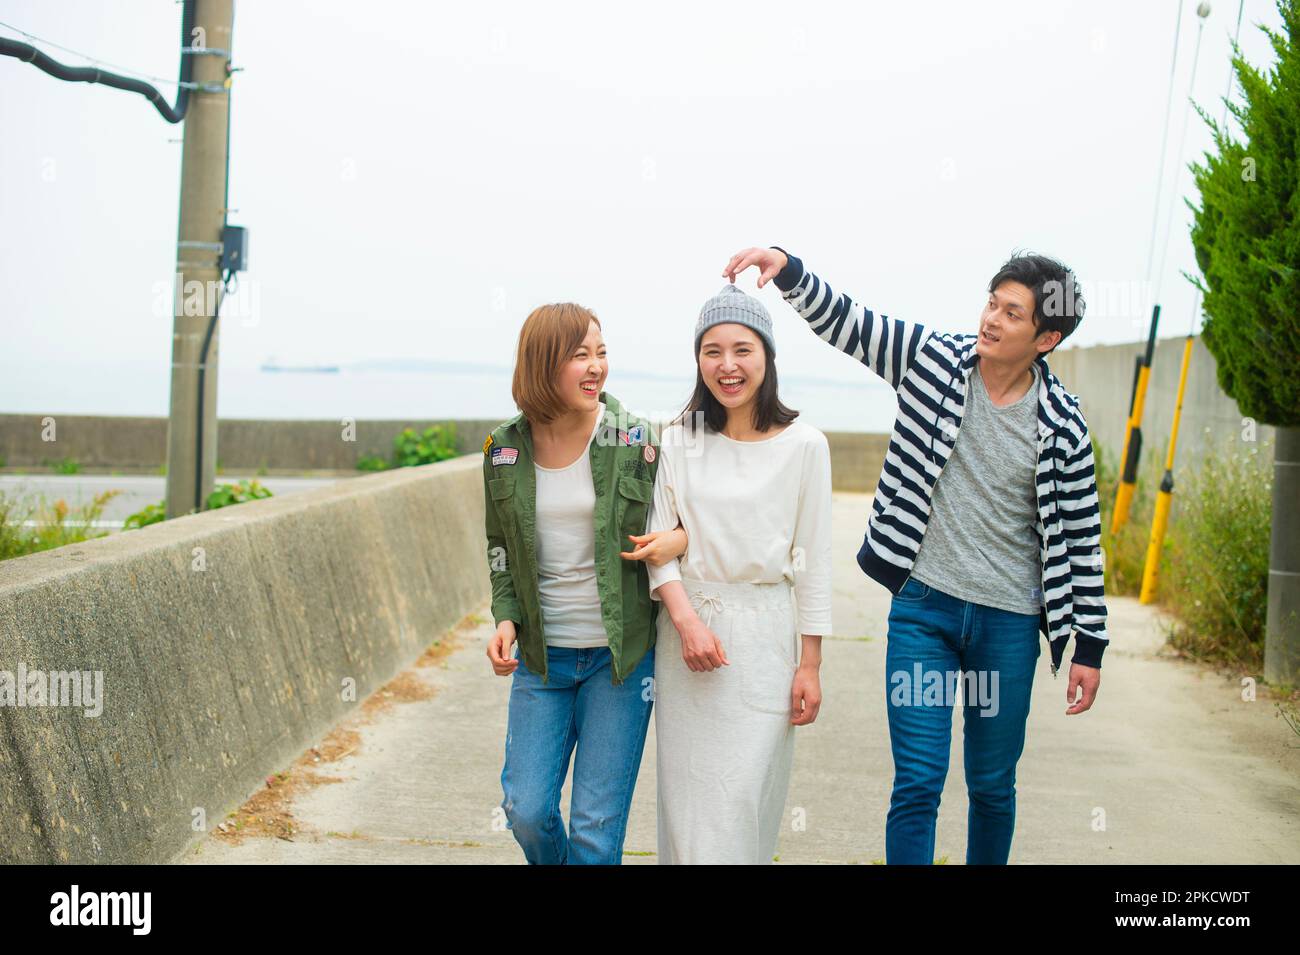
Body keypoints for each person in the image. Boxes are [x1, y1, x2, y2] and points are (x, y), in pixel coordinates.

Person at [723, 245, 1109, 865]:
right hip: (923, 613)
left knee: (990, 787)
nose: (991, 319)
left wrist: (1088, 644)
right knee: (919, 782)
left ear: (1046, 337)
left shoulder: (1063, 425)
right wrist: (789, 270)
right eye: (992, 302)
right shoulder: (934, 361)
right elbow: (852, 323)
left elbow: (1082, 539)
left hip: (1008, 625)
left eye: (1012, 313)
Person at [481, 302, 688, 865]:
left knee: (596, 832)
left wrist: (682, 537)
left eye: (601, 353)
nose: (596, 367)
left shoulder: (638, 439)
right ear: (544, 364)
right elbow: (500, 548)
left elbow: (692, 516)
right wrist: (505, 619)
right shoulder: (502, 450)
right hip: (543, 661)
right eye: (580, 356)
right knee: (525, 809)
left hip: (619, 663)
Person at [644, 284, 833, 865]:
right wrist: (687, 622)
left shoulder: (806, 446)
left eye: (743, 349)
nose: (728, 365)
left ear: (768, 357)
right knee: (690, 809)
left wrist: (810, 664)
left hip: (766, 640)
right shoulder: (678, 440)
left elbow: (813, 561)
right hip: (687, 642)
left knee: (744, 805)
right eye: (712, 351)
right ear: (698, 361)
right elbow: (658, 545)